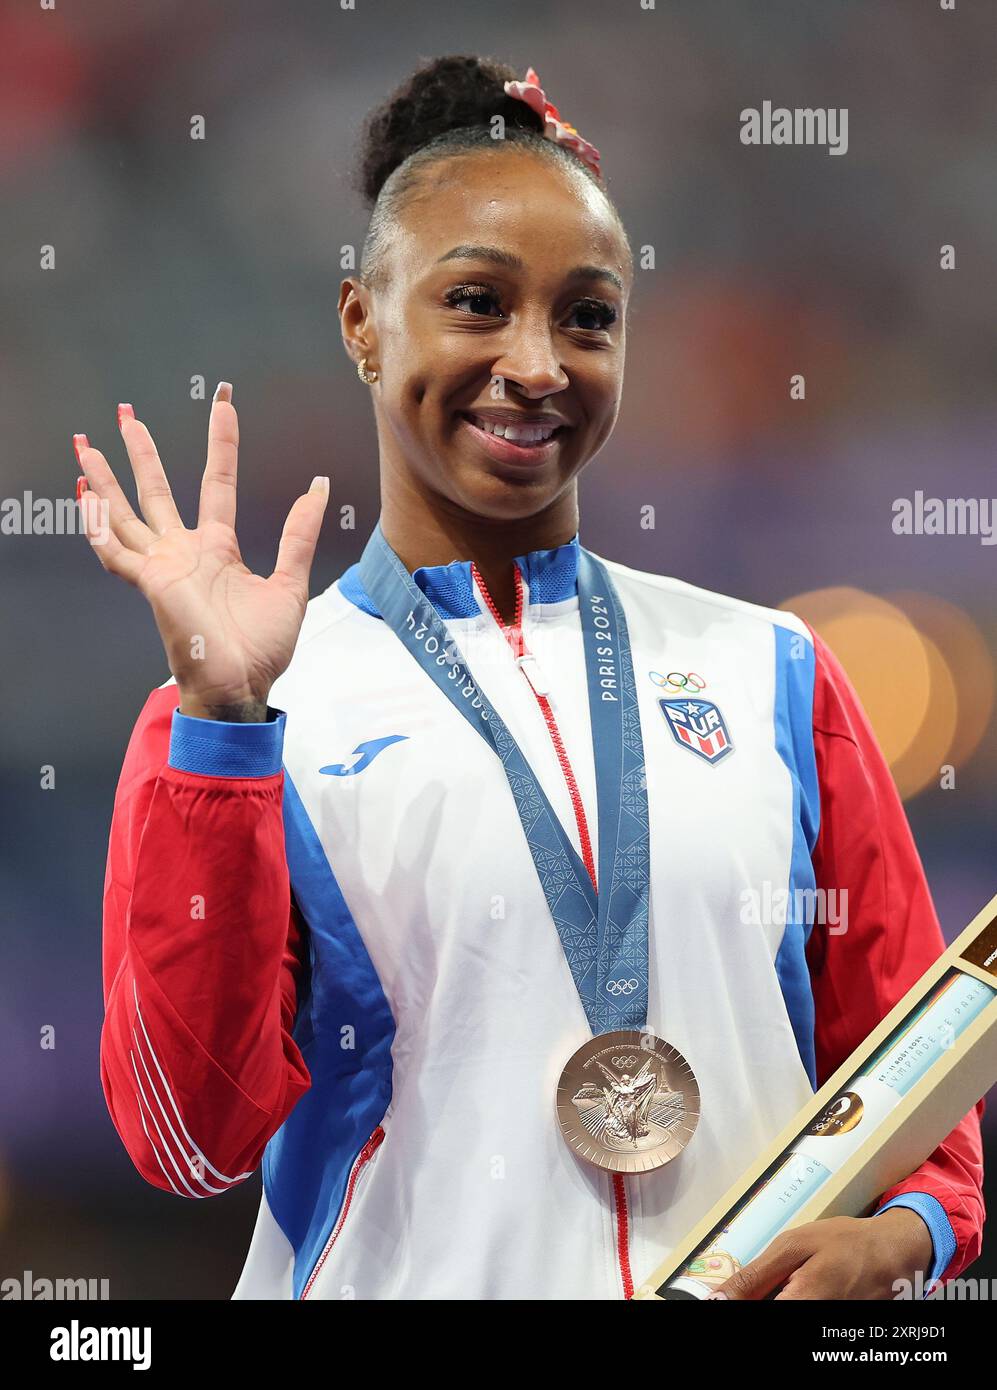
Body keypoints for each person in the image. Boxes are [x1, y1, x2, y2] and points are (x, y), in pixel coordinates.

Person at [77, 54, 984, 1301]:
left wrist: (914, 1234)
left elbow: (909, 1067)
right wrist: (227, 725)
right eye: (476, 302)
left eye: (587, 316)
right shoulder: (241, 719)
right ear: (362, 321)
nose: (539, 362)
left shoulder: (772, 669)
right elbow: (189, 1146)